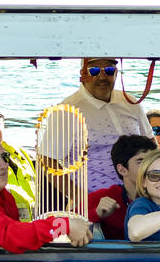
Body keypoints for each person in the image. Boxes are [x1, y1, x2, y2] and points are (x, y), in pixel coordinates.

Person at [40, 58, 151, 225]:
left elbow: (152, 145)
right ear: (83, 73)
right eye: (94, 71)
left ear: (116, 73)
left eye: (108, 70)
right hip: (95, 205)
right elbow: (48, 162)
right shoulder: (67, 110)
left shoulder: (131, 103)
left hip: (139, 199)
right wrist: (83, 199)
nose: (102, 77)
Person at [0, 133, 91, 252]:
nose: (3, 165)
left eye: (5, 157)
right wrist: (63, 225)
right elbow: (10, 236)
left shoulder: (2, 195)